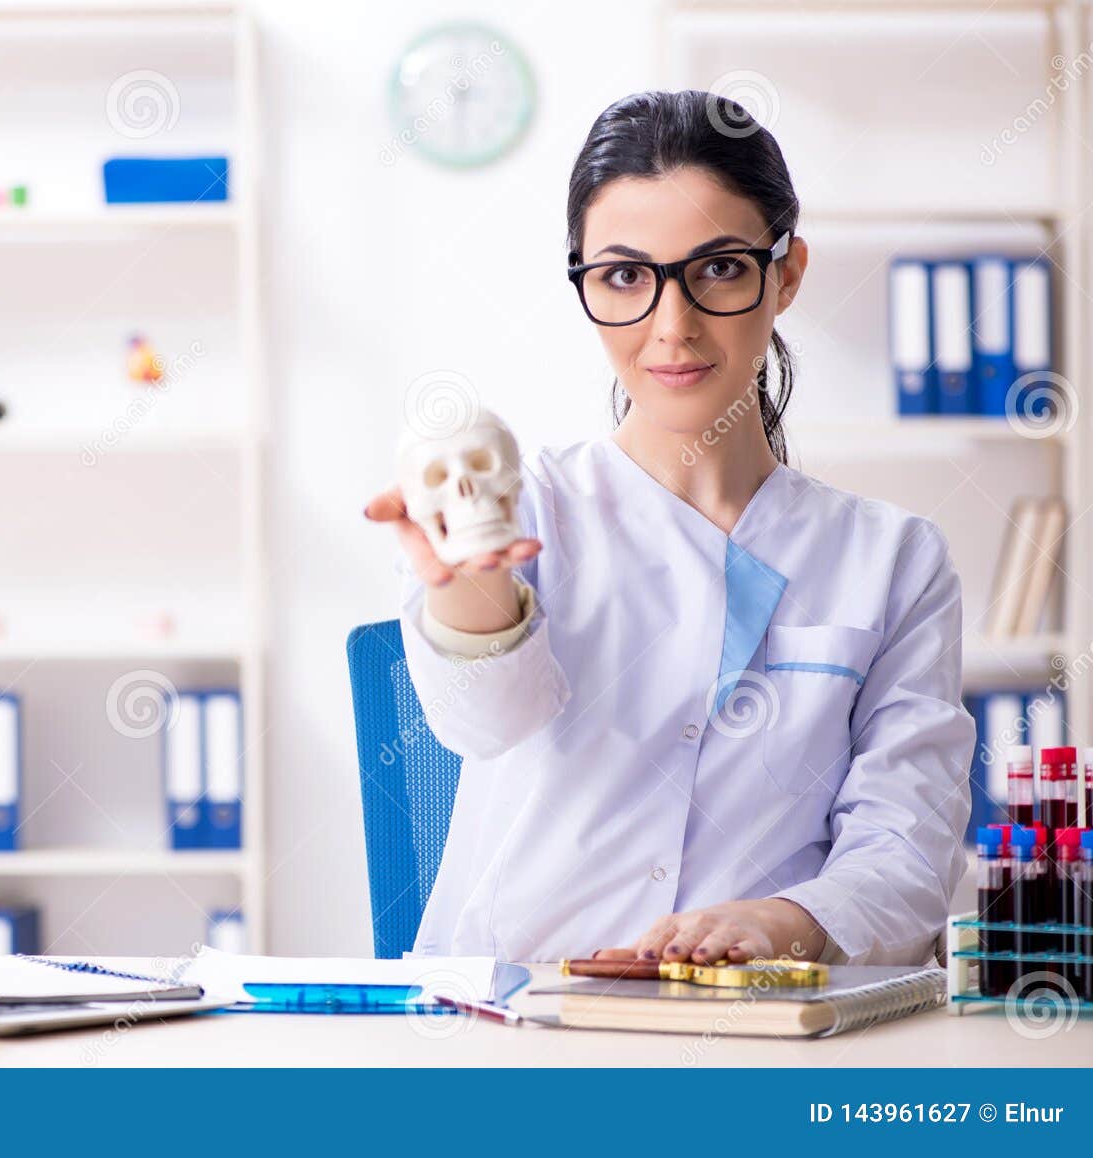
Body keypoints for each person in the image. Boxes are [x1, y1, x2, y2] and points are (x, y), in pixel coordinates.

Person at [363, 89, 974, 967]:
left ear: (787, 273)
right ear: (582, 281)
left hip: (764, 1024)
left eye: (719, 268)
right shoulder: (519, 511)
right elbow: (486, 723)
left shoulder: (892, 560)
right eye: (624, 276)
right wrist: (473, 593)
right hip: (523, 1023)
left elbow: (906, 850)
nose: (671, 326)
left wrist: (781, 922)